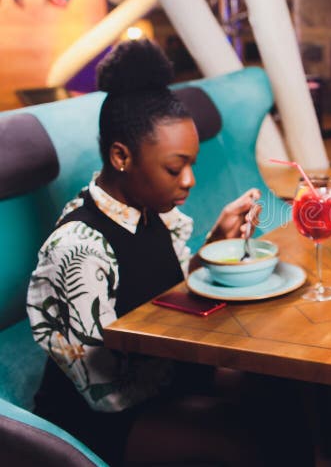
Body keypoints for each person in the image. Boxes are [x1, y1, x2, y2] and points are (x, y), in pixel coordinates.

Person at [26, 39, 310, 465]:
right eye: (175, 168)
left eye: (191, 165)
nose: (189, 181)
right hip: (97, 425)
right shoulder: (79, 250)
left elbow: (161, 294)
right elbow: (107, 395)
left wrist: (215, 245)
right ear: (121, 156)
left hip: (161, 386)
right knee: (244, 443)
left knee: (287, 394)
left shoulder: (147, 212)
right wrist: (203, 366)